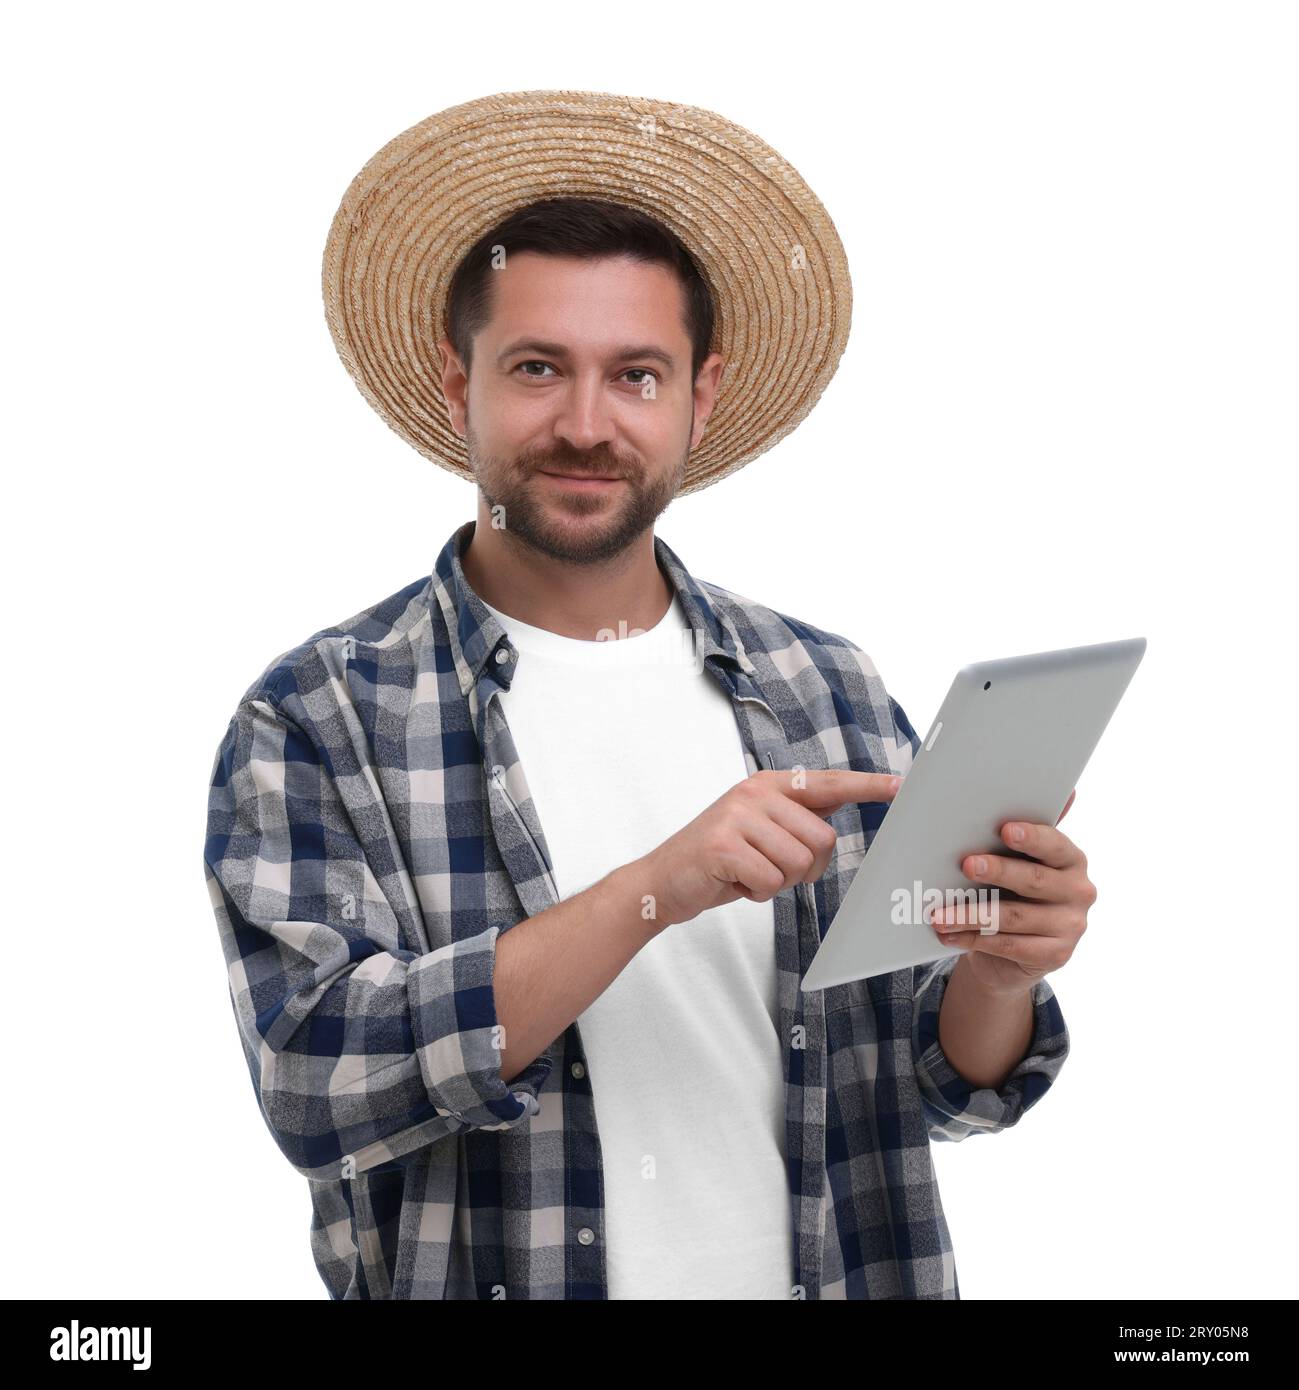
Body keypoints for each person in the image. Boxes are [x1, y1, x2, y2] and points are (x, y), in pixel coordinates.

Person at [204, 91, 1090, 1300]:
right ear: (455, 383)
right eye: (535, 368)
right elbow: (317, 1084)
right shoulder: (321, 716)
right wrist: (655, 890)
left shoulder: (825, 686)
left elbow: (929, 1086)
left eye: (635, 374)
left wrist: (999, 972)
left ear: (699, 396)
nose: (585, 424)